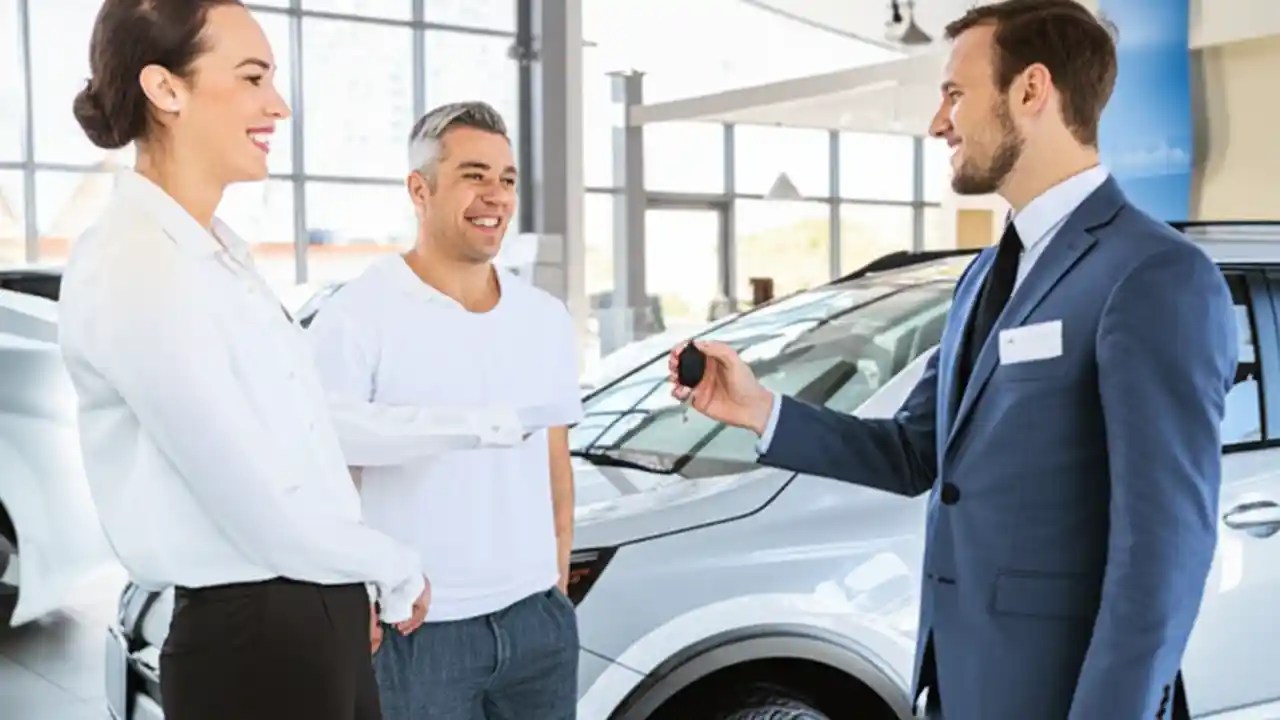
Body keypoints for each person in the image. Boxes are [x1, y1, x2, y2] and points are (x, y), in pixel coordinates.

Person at [670, 1, 1236, 718]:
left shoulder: (1154, 276)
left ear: (1031, 91)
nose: (939, 123)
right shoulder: (984, 276)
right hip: (960, 686)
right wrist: (757, 409)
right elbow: (915, 450)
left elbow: (1164, 553)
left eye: (955, 94)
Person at [58, 3, 526, 719]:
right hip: (255, 636)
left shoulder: (214, 255)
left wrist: (486, 427)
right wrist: (385, 564)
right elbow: (252, 496)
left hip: (305, 614)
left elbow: (302, 427)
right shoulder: (136, 264)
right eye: (252, 77)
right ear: (166, 89)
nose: (277, 104)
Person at [307, 101, 582, 720]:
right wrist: (354, 599)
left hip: (538, 625)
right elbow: (327, 477)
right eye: (474, 175)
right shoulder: (357, 316)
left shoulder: (543, 318)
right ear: (419, 188)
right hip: (417, 635)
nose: (497, 196)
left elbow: (554, 466)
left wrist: (555, 588)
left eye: (508, 179)